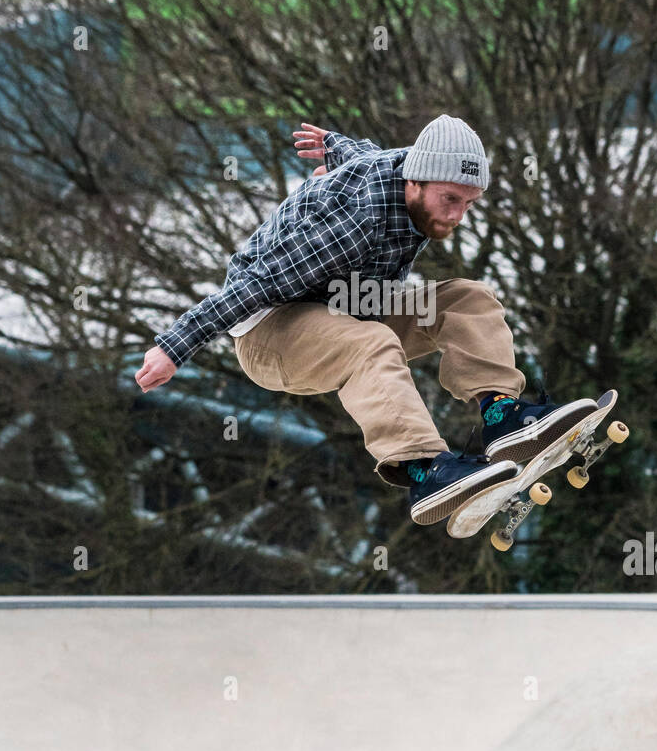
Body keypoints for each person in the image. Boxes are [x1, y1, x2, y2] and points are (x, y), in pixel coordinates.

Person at [135, 115, 597, 524]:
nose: (457, 216)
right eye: (450, 200)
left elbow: (369, 154)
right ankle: (426, 470)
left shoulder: (408, 167)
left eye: (468, 204)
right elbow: (255, 286)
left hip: (350, 302)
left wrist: (334, 144)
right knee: (370, 342)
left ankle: (503, 415)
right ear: (415, 182)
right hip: (271, 331)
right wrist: (175, 347)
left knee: (467, 301)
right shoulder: (355, 223)